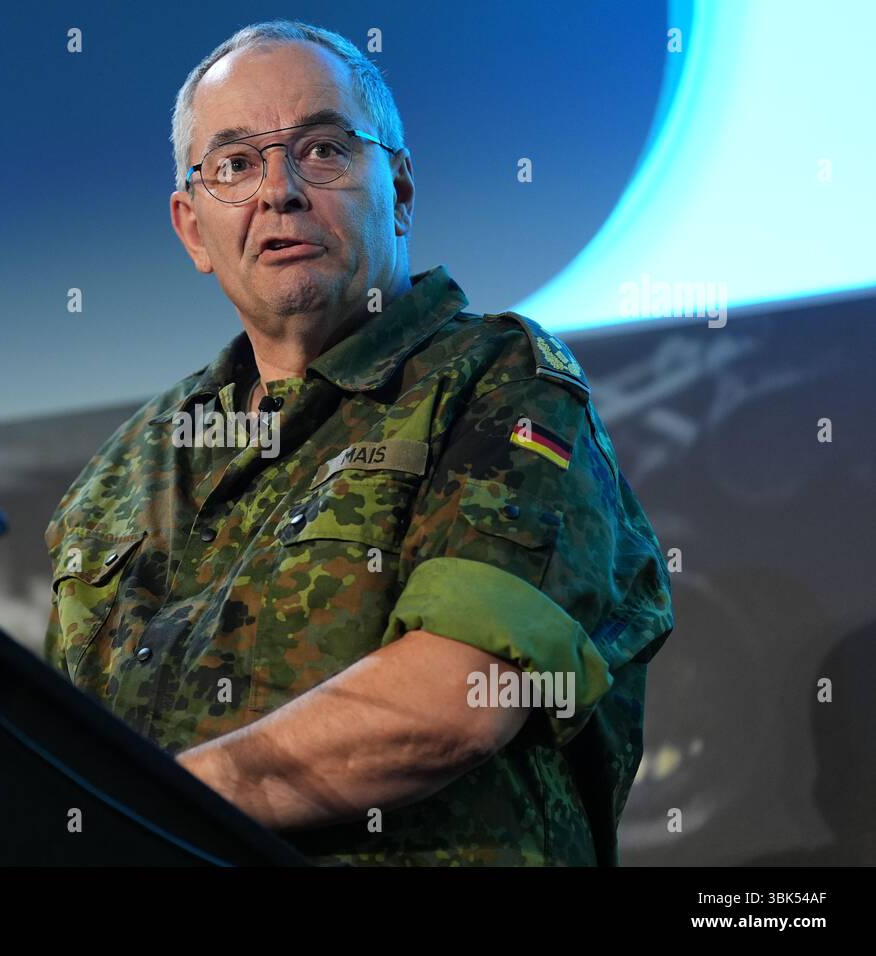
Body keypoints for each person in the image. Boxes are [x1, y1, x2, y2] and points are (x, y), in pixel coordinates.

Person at [42, 19, 674, 866]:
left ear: (401, 190)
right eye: (235, 164)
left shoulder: (498, 382)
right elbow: (46, 753)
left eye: (324, 150)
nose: (280, 191)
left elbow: (456, 702)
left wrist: (151, 813)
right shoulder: (123, 471)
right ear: (192, 228)